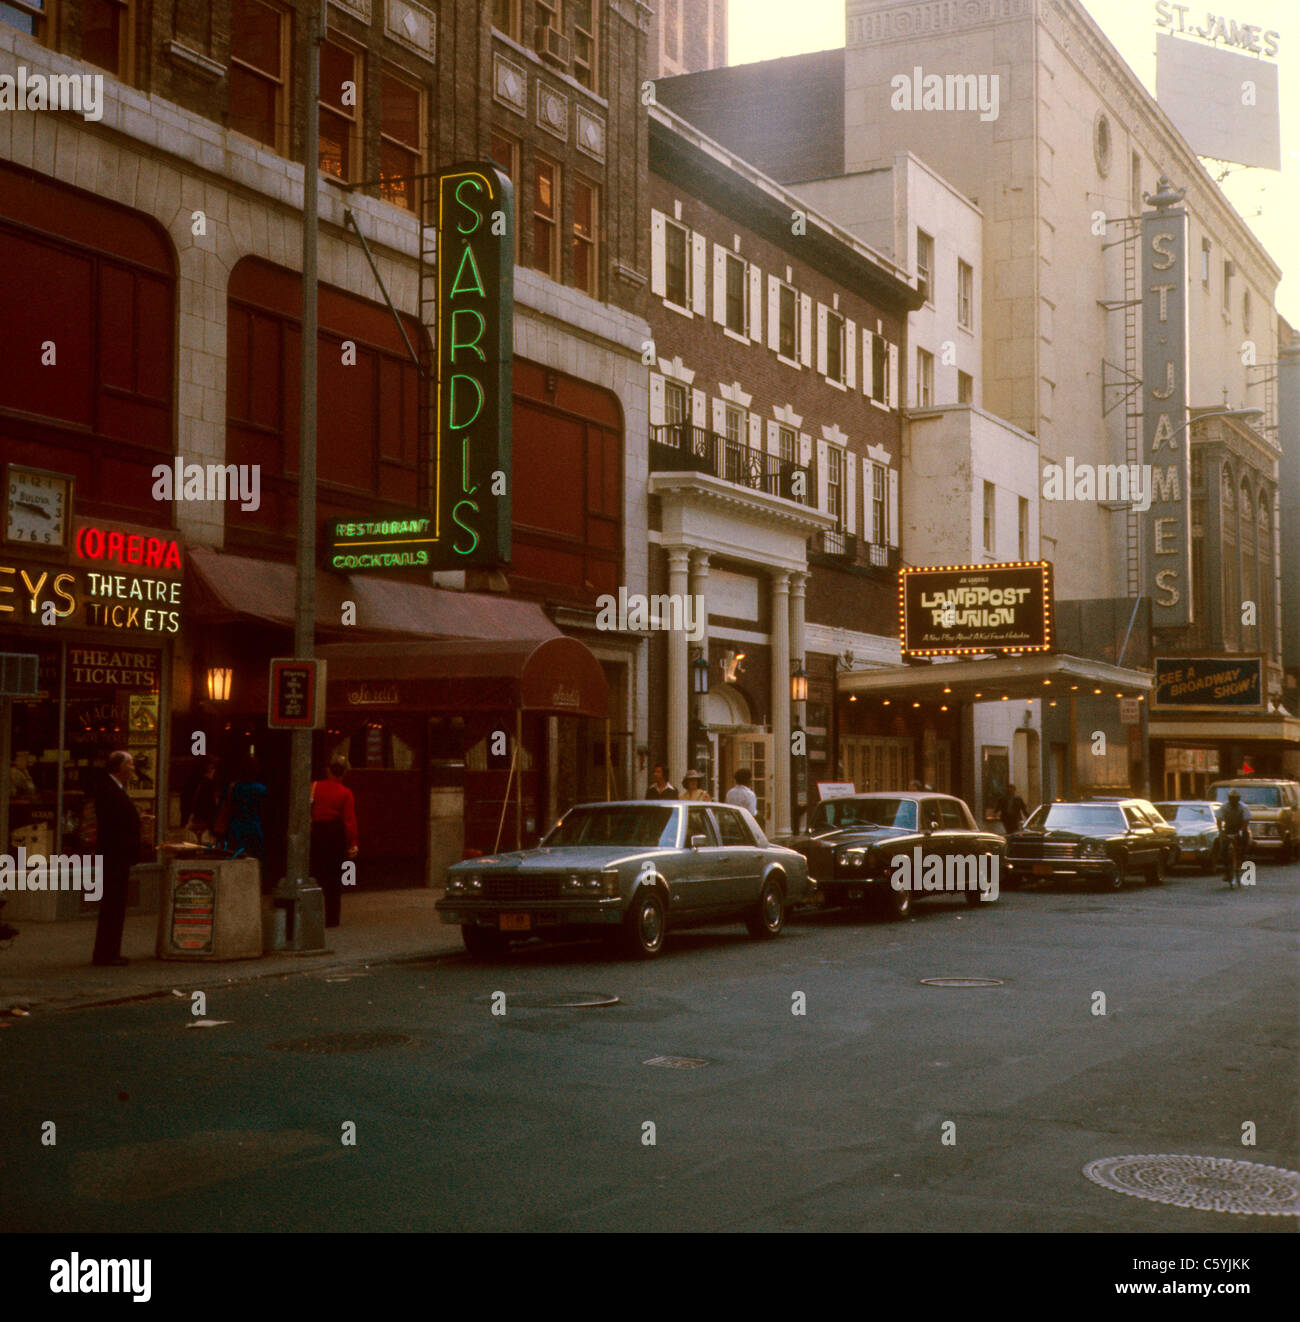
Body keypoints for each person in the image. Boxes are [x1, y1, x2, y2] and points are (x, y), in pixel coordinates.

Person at [92, 751, 141, 967]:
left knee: (116, 903)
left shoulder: (116, 788)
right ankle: (106, 953)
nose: (133, 768)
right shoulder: (108, 789)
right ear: (118, 767)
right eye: (129, 764)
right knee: (113, 903)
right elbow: (113, 823)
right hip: (115, 854)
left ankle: (110, 950)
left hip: (118, 853)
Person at [310, 756, 359, 928]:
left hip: (316, 832)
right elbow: (349, 821)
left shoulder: (314, 787)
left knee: (316, 874)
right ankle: (332, 919)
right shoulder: (346, 793)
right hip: (335, 834)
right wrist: (353, 843)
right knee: (334, 879)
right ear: (344, 773)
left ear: (328, 769)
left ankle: (310, 916)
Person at [218, 758, 268, 861]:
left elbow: (222, 806)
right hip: (254, 829)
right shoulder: (261, 789)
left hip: (234, 829)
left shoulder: (231, 787)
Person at [1219, 789, 1251, 889]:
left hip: (1240, 827)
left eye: (1235, 799)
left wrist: (1240, 831)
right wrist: (1221, 832)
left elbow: (1246, 821)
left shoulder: (1244, 807)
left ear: (1238, 799)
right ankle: (1226, 870)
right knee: (1223, 848)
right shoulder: (1224, 807)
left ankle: (1242, 856)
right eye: (1231, 799)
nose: (1233, 801)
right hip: (1228, 828)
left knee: (1244, 841)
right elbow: (1219, 820)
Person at [182, 757, 221, 837]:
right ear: (208, 769)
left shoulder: (191, 783)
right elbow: (210, 805)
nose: (214, 771)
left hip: (193, 820)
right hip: (204, 823)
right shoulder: (208, 784)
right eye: (212, 768)